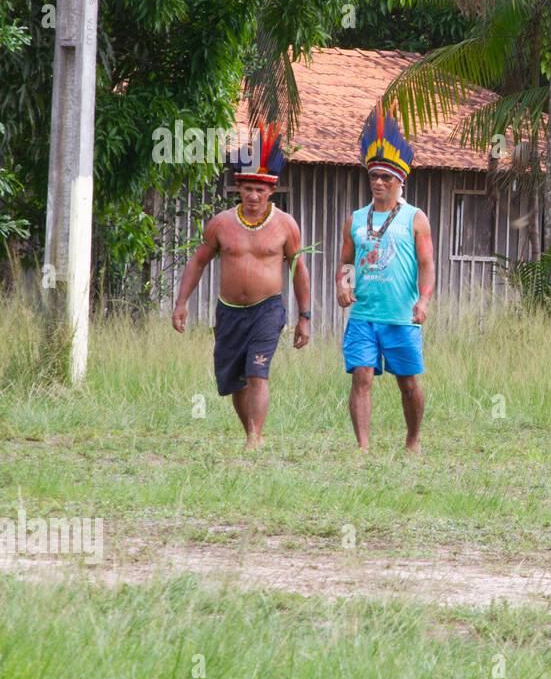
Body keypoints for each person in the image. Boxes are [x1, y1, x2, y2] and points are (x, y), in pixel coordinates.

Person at [172, 123, 310, 450]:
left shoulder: (285, 225)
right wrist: (181, 303)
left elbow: (298, 268)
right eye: (248, 188)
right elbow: (199, 261)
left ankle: (254, 437)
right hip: (230, 311)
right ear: (239, 188)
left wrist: (305, 316)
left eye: (260, 190)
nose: (253, 196)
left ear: (271, 192)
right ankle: (248, 430)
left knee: (257, 372)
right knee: (235, 379)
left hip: (268, 309)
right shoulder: (221, 223)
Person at [336, 106, 435, 454]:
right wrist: (343, 284)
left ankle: (412, 440)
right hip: (364, 316)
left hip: (401, 316)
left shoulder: (415, 218)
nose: (379, 183)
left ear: (400, 181)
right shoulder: (356, 219)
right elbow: (347, 260)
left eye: (386, 178)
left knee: (407, 383)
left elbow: (427, 264)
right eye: (374, 176)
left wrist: (423, 301)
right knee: (361, 376)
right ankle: (363, 448)